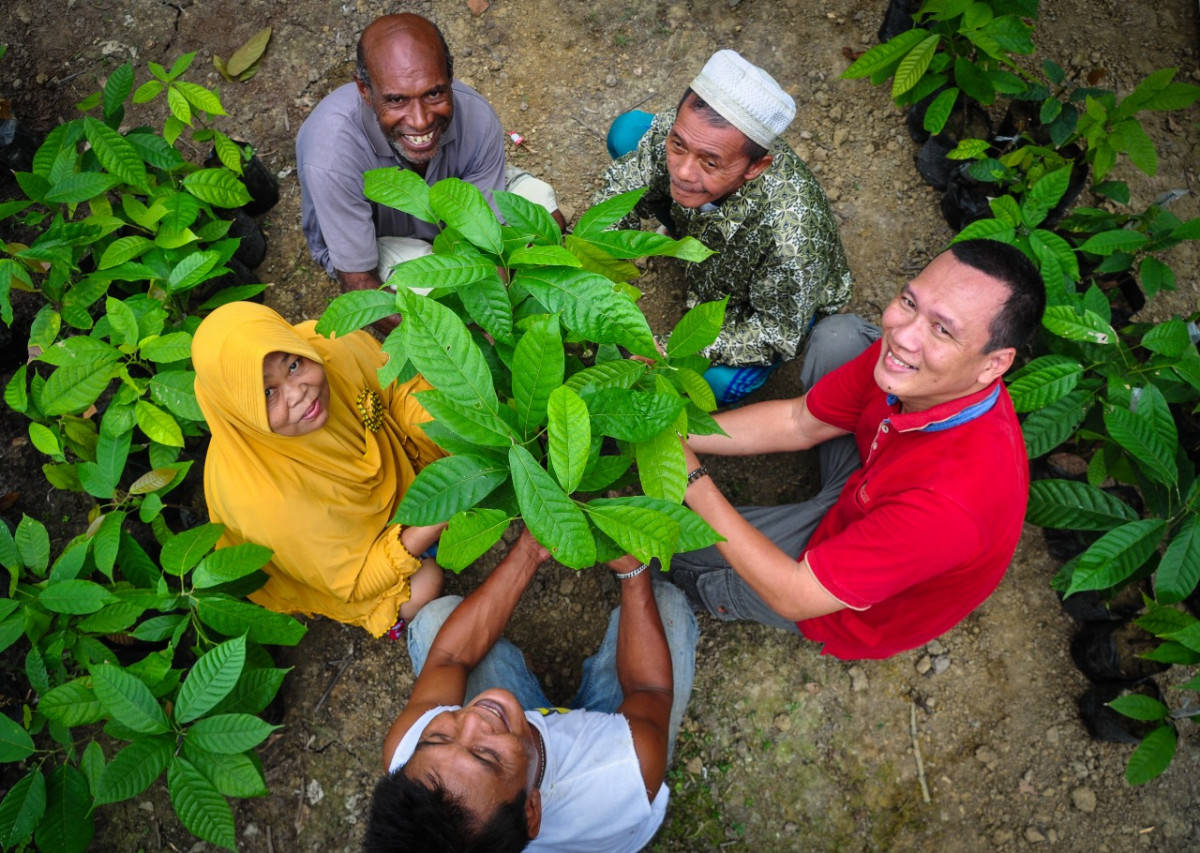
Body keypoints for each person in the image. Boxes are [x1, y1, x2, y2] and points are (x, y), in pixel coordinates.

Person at [666, 239, 1045, 659]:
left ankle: (705, 586)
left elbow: (794, 594)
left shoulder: (947, 509)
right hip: (874, 480)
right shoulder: (912, 368)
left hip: (844, 590)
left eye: (942, 329)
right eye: (908, 302)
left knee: (673, 544)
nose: (902, 336)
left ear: (994, 364)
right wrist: (674, 433)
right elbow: (799, 422)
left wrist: (692, 480)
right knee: (840, 337)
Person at [363, 530, 698, 852]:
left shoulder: (408, 753)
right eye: (485, 755)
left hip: (519, 738)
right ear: (531, 810)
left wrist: (529, 551)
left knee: (435, 623)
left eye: (436, 738)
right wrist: (634, 573)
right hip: (610, 751)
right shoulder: (622, 772)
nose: (473, 720)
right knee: (665, 608)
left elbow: (449, 659)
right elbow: (649, 688)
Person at [596, 49, 853, 405]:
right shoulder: (690, 135)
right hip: (701, 225)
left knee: (716, 382)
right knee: (628, 133)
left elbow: (776, 331)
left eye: (710, 162)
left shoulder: (792, 240)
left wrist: (676, 347)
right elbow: (618, 195)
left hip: (762, 298)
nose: (683, 171)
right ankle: (686, 225)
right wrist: (599, 271)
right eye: (677, 144)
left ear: (755, 167)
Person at [192, 301, 447, 638]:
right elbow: (356, 580)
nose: (299, 394)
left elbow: (397, 388)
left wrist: (441, 427)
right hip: (339, 555)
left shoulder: (329, 346)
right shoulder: (263, 503)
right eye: (268, 392)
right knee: (425, 587)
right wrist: (443, 508)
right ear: (241, 410)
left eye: (294, 365)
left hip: (395, 480)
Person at [296, 13, 563, 331]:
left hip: (449, 219)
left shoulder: (477, 119)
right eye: (397, 100)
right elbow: (359, 284)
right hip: (377, 238)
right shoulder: (332, 155)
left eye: (434, 93)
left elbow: (485, 240)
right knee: (432, 298)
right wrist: (455, 346)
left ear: (450, 77)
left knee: (546, 217)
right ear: (364, 91)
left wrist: (498, 320)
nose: (421, 121)